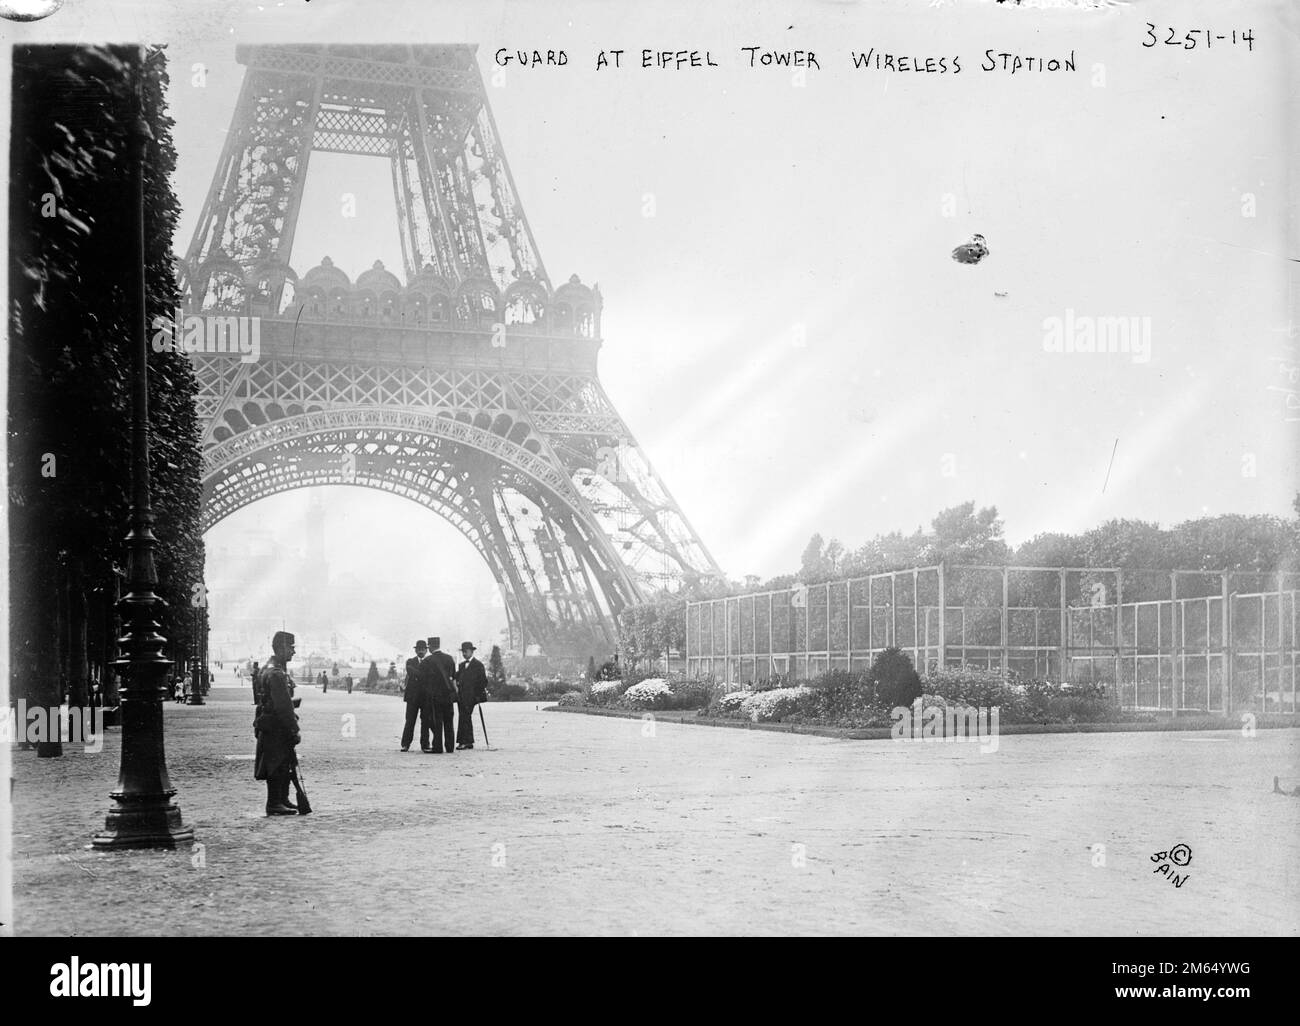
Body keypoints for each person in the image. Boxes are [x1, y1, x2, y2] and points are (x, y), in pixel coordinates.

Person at [254, 631, 301, 816]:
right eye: (291, 648)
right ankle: (274, 802)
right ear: (281, 648)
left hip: (270, 723)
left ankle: (281, 799)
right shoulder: (276, 673)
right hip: (276, 725)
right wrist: (294, 729)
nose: (293, 652)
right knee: (276, 762)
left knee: (283, 761)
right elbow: (283, 706)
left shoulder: (270, 668)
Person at [401, 639, 435, 752]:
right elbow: (413, 672)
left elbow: (427, 675)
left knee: (425, 721)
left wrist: (419, 674)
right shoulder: (410, 661)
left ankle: (425, 745)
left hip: (425, 697)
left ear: (426, 650)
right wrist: (423, 675)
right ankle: (405, 744)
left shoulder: (430, 661)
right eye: (418, 649)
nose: (420, 651)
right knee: (410, 720)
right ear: (415, 650)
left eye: (423, 649)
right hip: (413, 697)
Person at [426, 637, 458, 754]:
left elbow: (424, 680)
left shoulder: (428, 660)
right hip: (448, 695)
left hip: (435, 696)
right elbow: (454, 677)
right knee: (449, 721)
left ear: (430, 647)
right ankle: (450, 747)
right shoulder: (449, 659)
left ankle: (437, 747)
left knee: (437, 721)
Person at [455, 642, 488, 750]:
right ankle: (468, 741)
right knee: (464, 717)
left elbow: (483, 681)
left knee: (465, 716)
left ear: (472, 651)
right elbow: (457, 678)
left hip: (472, 696)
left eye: (466, 651)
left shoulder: (478, 665)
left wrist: (478, 695)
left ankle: (464, 741)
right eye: (463, 651)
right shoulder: (461, 665)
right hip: (462, 696)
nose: (464, 653)